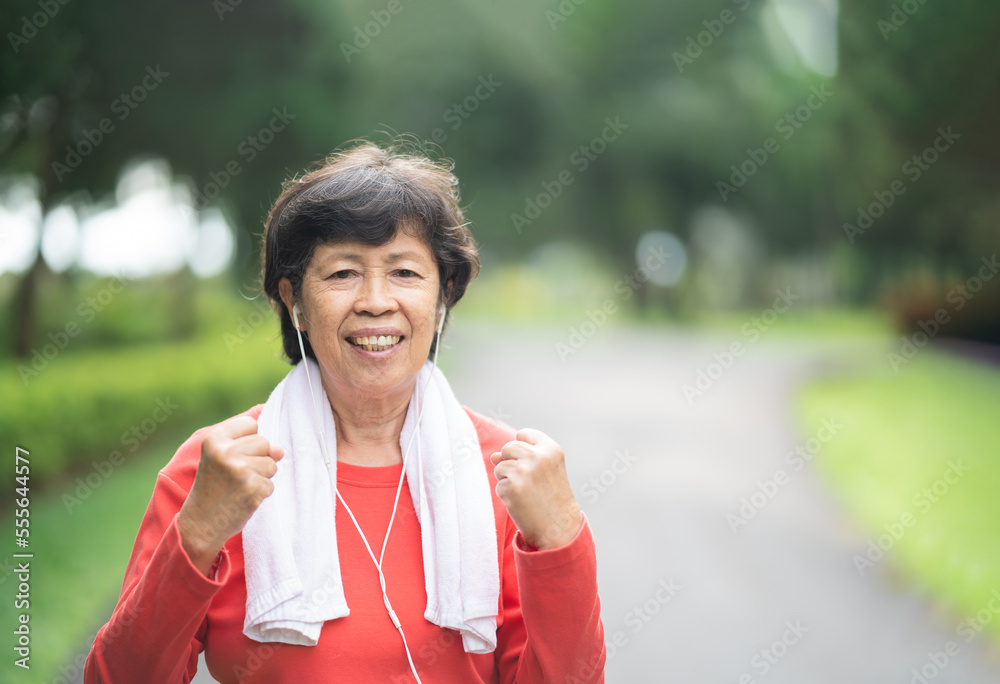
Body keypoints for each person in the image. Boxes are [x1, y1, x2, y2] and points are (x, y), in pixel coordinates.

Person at [84, 140, 606, 683]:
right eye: (342, 274)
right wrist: (194, 536)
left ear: (444, 294)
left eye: (405, 272)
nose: (376, 300)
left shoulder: (505, 473)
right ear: (295, 303)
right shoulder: (219, 469)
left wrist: (564, 538)